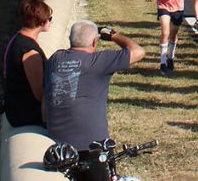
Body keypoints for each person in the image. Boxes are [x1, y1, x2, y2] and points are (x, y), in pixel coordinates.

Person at [44, 20, 145, 159]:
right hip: (91, 145)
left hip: (57, 145)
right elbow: (138, 52)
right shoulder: (98, 61)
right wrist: (113, 35)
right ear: (94, 42)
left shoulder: (55, 59)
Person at [2, 0, 53, 128]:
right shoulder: (30, 52)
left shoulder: (17, 39)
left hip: (15, 110)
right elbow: (39, 94)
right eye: (49, 18)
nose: (50, 22)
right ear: (41, 21)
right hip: (26, 115)